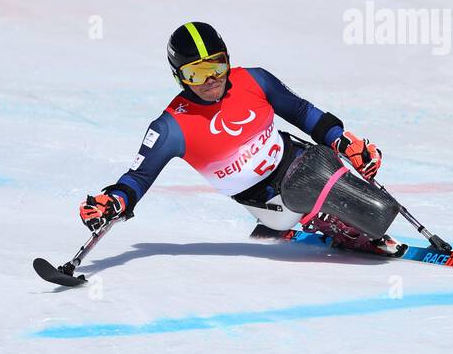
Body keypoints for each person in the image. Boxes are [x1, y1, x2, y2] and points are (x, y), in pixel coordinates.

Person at [77, 21, 402, 256]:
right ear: (178, 77)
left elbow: (303, 113)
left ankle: (336, 215)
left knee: (355, 189)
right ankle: (332, 225)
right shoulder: (170, 127)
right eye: (196, 74)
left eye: (217, 66)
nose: (211, 80)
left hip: (297, 157)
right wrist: (115, 201)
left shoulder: (254, 80)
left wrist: (345, 142)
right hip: (264, 198)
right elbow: (137, 178)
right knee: (352, 201)